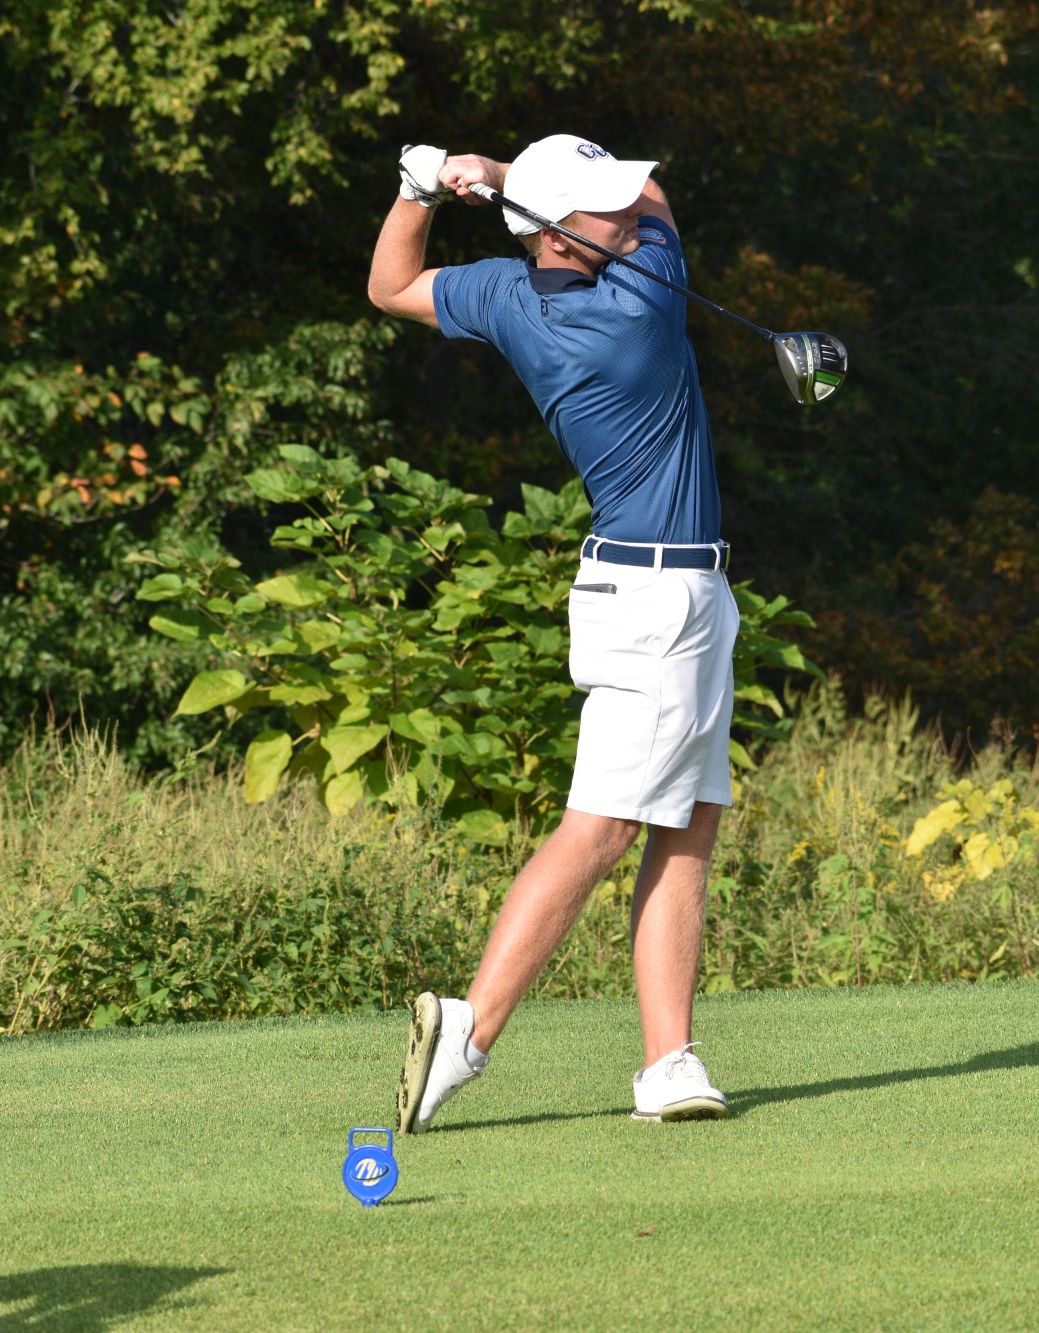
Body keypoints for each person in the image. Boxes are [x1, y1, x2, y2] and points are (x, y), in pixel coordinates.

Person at [368, 135, 739, 1131]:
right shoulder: (640, 300)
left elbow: (389, 285)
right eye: (601, 209)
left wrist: (420, 186)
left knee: (684, 825)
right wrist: (492, 172)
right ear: (563, 238)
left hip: (670, 599)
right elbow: (661, 201)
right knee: (606, 826)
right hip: (656, 608)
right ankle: (469, 1030)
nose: (626, 213)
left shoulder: (505, 293)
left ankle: (668, 1061)